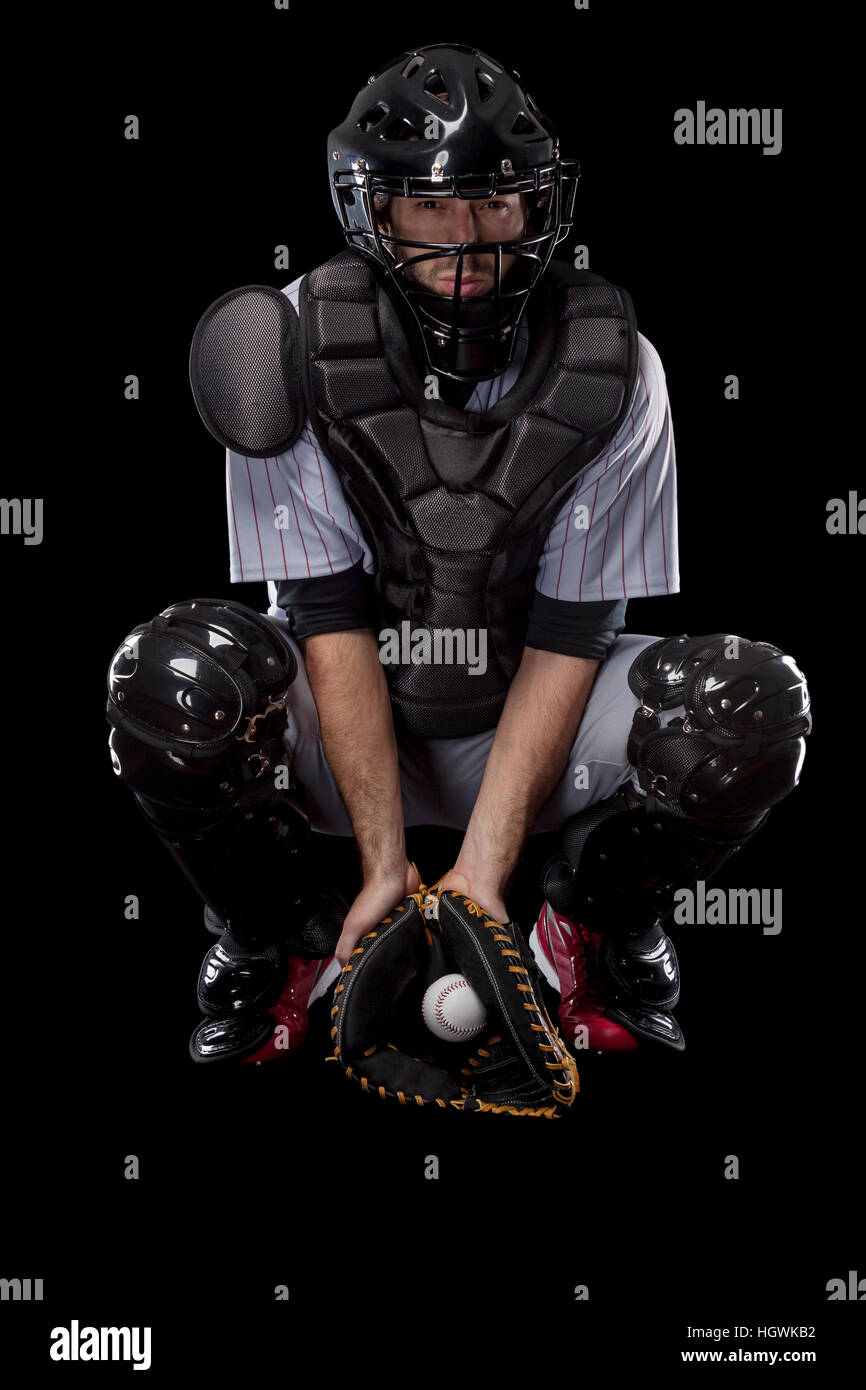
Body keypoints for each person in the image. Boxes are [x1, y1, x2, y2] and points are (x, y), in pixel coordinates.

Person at [106, 42, 811, 1065]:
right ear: (372, 210)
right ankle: (280, 930)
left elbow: (572, 634)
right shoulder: (290, 342)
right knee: (168, 681)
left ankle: (591, 924)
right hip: (354, 717)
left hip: (525, 717)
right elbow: (328, 616)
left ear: (539, 206)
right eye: (428, 207)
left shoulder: (616, 369)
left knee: (752, 703)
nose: (467, 239)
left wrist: (481, 880)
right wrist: (382, 875)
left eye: (494, 202)